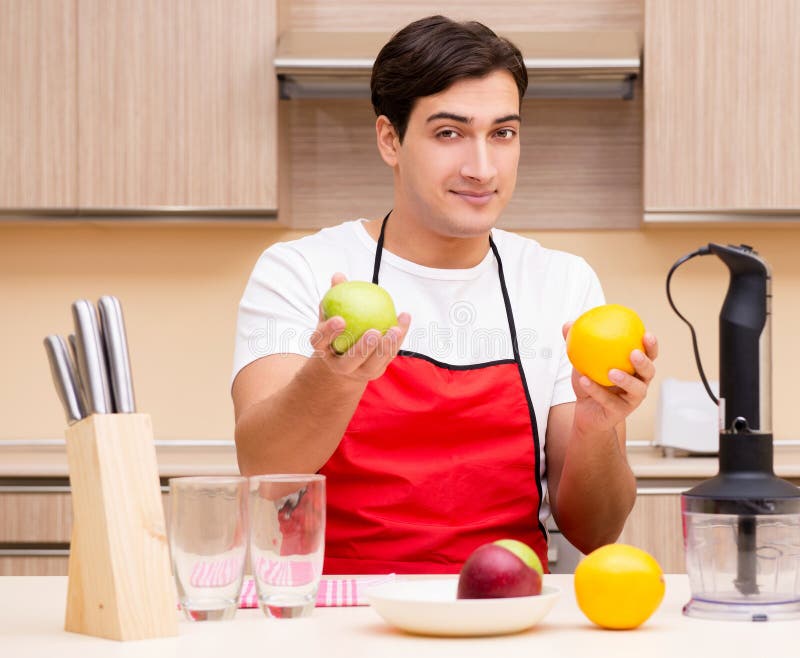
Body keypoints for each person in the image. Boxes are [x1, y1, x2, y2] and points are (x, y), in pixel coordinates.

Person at [232, 15, 658, 575]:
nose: (482, 168)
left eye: (502, 133)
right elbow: (264, 473)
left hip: (506, 611)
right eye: (449, 133)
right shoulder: (301, 270)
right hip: (337, 612)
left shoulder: (562, 283)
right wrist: (332, 376)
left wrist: (597, 427)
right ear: (391, 139)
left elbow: (594, 529)